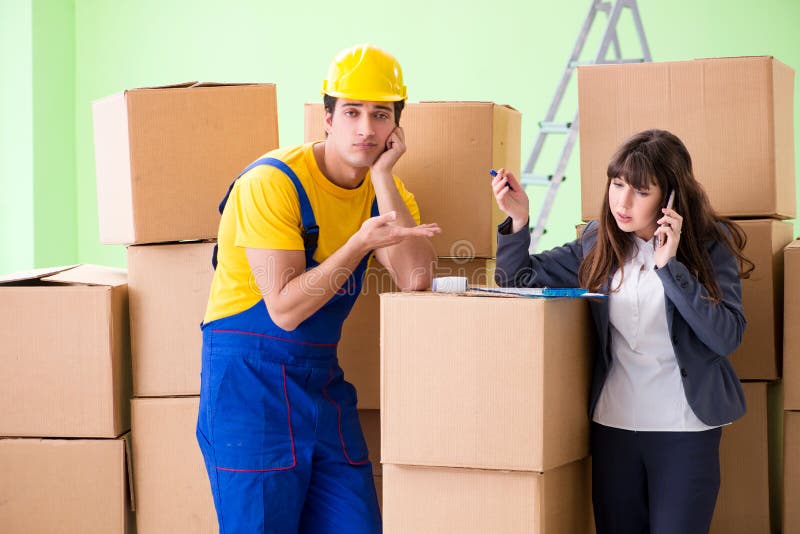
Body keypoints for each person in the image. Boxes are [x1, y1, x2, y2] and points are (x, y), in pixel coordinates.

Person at [196, 43, 440, 534]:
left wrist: (384, 177)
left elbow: (416, 280)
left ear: (396, 128)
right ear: (327, 117)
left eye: (380, 114)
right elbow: (284, 309)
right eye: (351, 112)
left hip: (320, 386)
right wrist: (357, 245)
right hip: (250, 391)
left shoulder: (382, 188)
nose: (366, 128)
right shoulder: (272, 183)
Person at [492, 129, 753, 534]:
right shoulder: (600, 241)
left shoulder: (708, 245)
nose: (622, 202)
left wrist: (671, 269)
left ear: (670, 197)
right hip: (614, 426)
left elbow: (726, 337)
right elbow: (516, 279)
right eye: (617, 185)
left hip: (684, 429)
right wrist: (519, 220)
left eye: (640, 191)